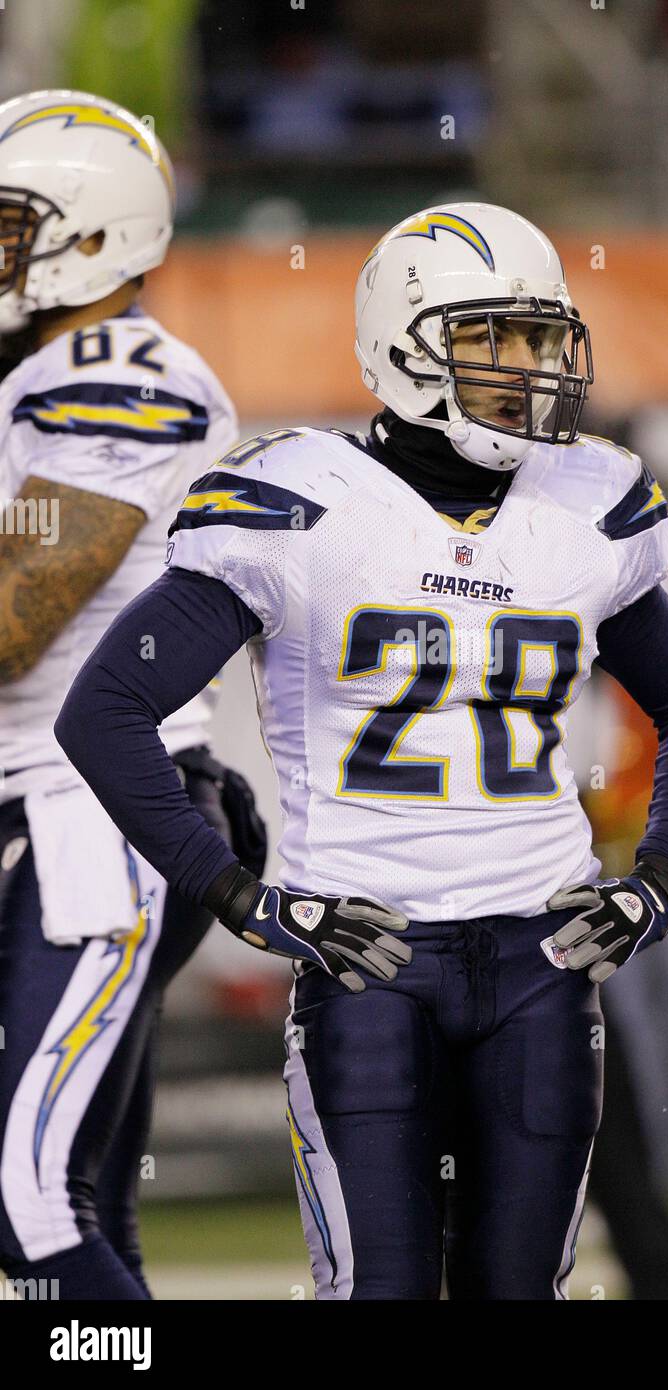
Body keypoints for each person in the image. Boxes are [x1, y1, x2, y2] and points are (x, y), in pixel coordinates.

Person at [57, 203, 668, 1300]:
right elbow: (105, 710)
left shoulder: (587, 502)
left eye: (541, 336)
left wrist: (658, 879)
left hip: (543, 961)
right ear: (406, 343)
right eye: (494, 338)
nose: (530, 365)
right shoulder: (298, 501)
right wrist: (242, 895)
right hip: (368, 960)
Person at [0, 90, 262, 1300]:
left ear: (92, 235)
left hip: (91, 817)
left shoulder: (121, 370)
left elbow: (17, 615)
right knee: (82, 1193)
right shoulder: (38, 370)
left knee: (25, 1199)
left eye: (11, 226)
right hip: (48, 816)